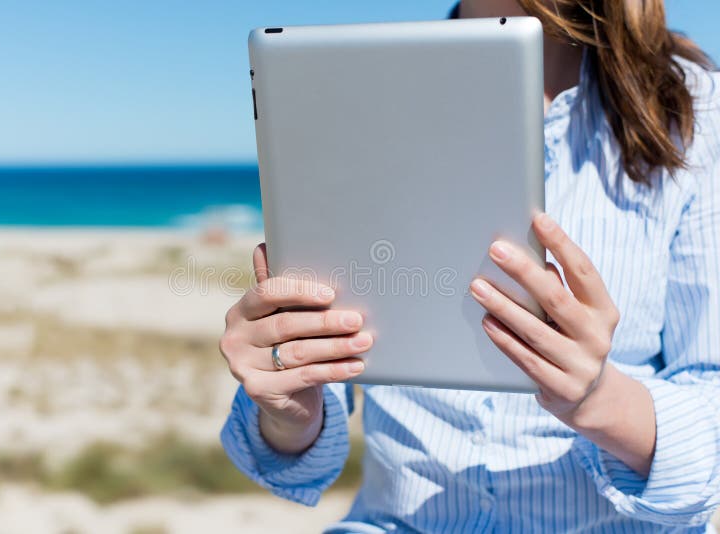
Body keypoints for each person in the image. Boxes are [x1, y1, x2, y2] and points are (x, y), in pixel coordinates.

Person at [219, 0, 720, 531]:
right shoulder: (360, 86)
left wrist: (601, 399)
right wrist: (288, 408)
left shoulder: (694, 108)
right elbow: (294, 446)